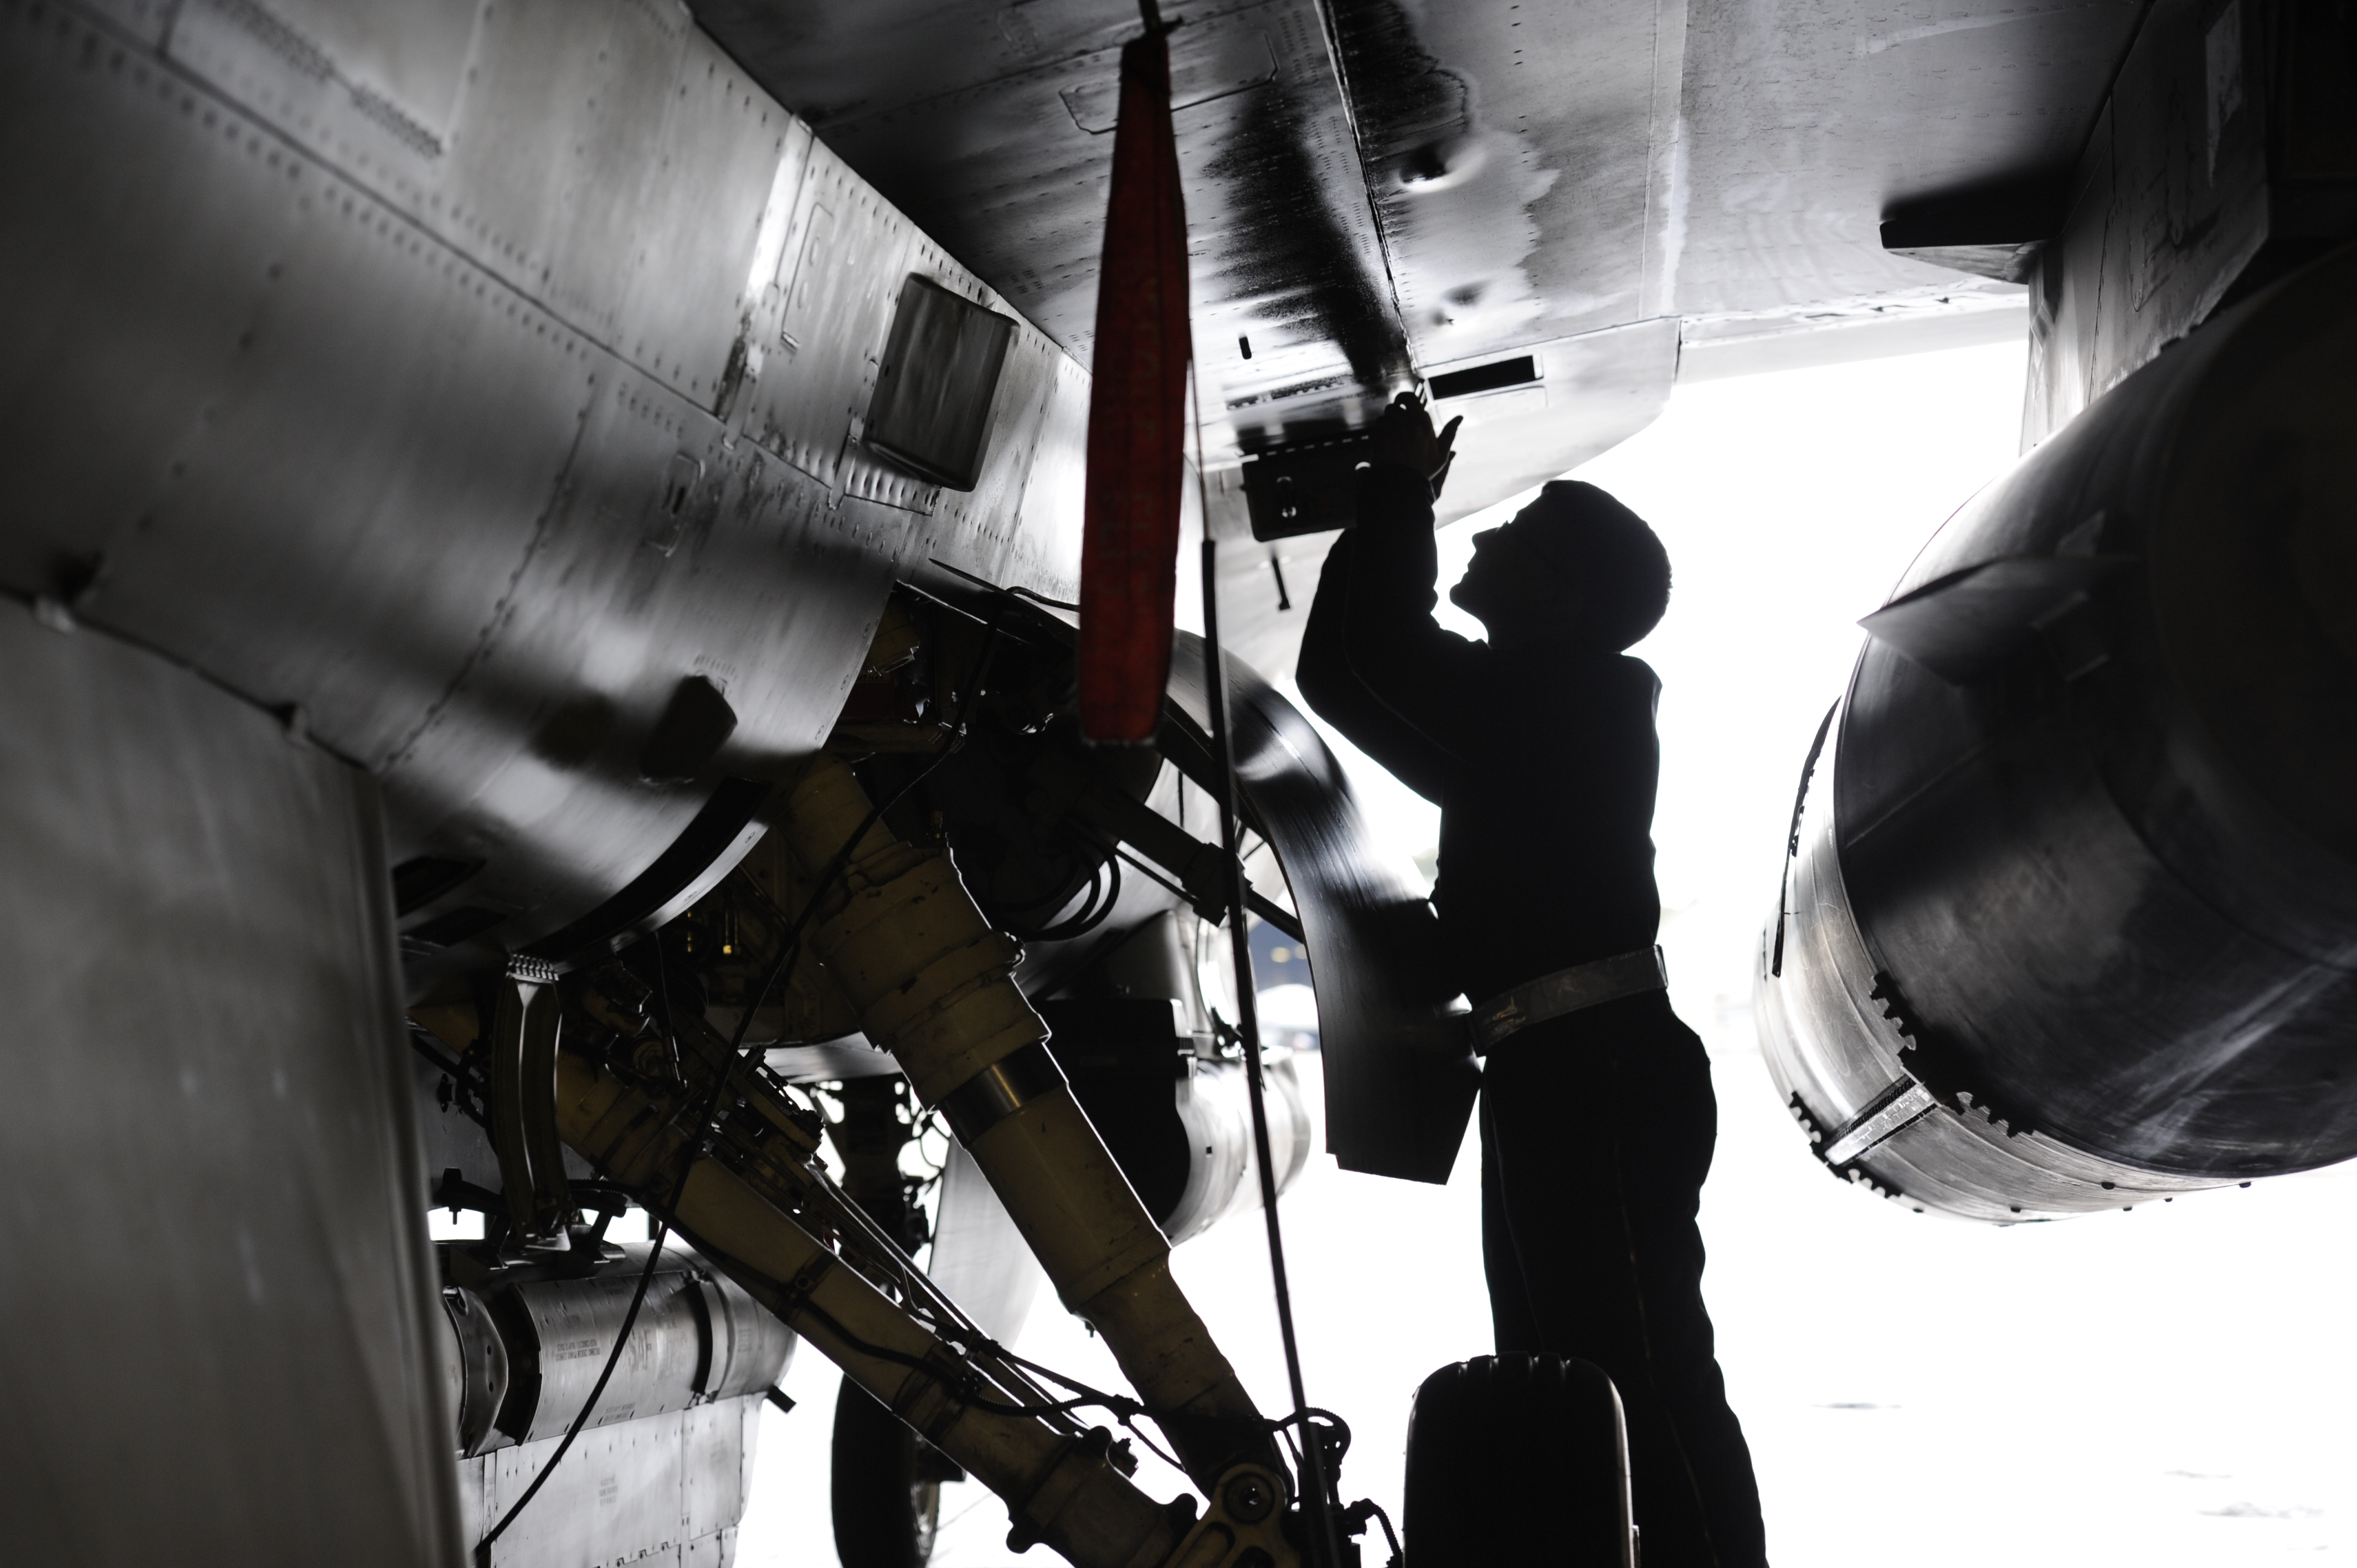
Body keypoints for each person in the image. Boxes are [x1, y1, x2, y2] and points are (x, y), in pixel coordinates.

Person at [1298, 393, 1768, 1568]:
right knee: (1575, 1372)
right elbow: (1348, 671)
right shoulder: (1540, 707)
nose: (1484, 540)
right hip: (1558, 1067)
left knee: (1639, 1382)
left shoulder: (1563, 699)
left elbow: (1362, 661)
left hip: (1589, 1073)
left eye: (1517, 541)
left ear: (1560, 598)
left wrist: (1399, 487)